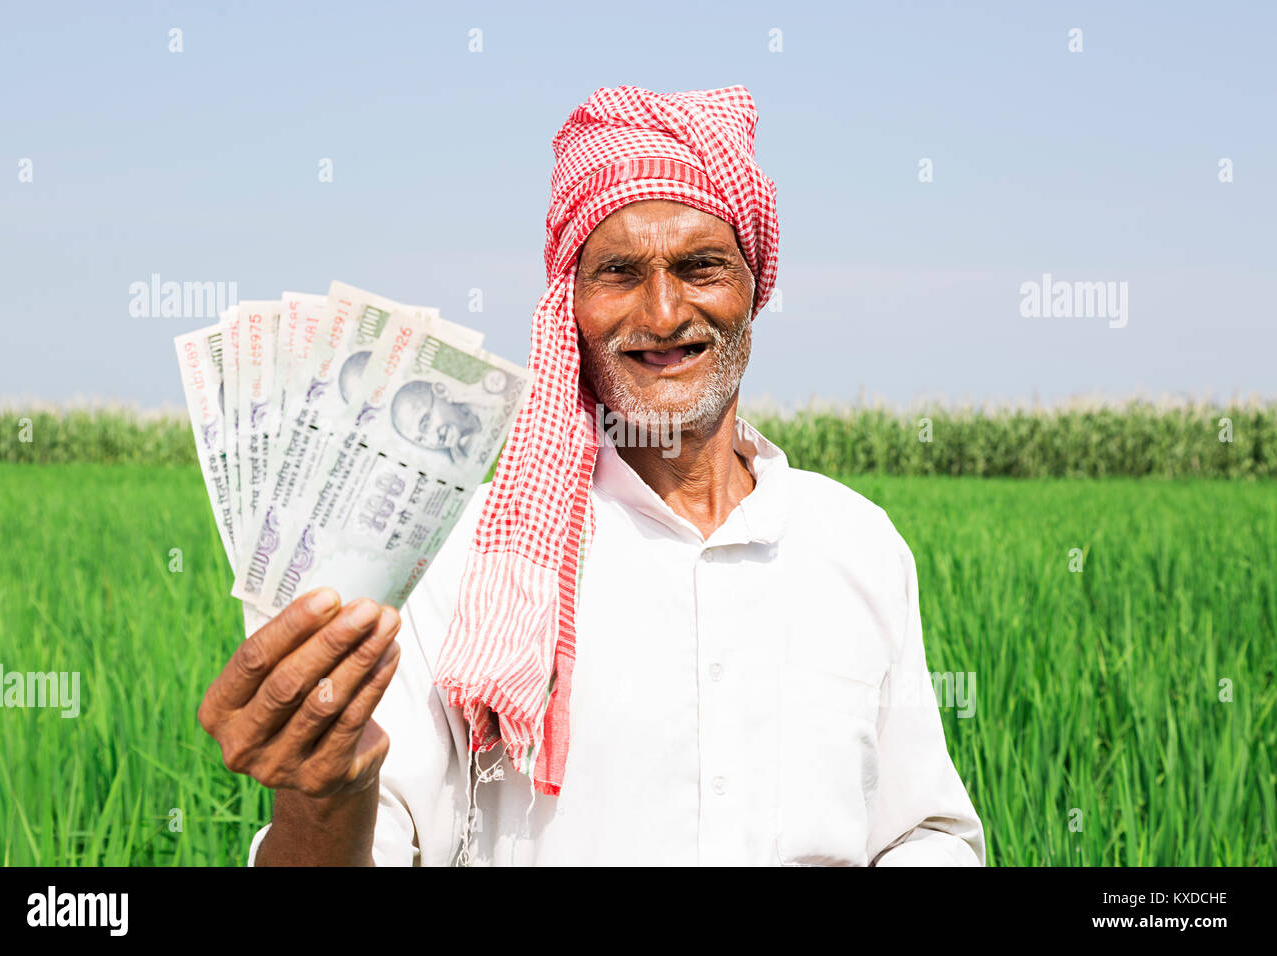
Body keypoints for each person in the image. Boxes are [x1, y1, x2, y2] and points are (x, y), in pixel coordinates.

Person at [197, 84, 985, 866]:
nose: (665, 313)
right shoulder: (466, 554)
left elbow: (925, 834)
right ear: (568, 304)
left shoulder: (855, 544)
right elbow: (369, 846)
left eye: (701, 265)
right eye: (619, 273)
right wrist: (324, 795)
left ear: (754, 287)